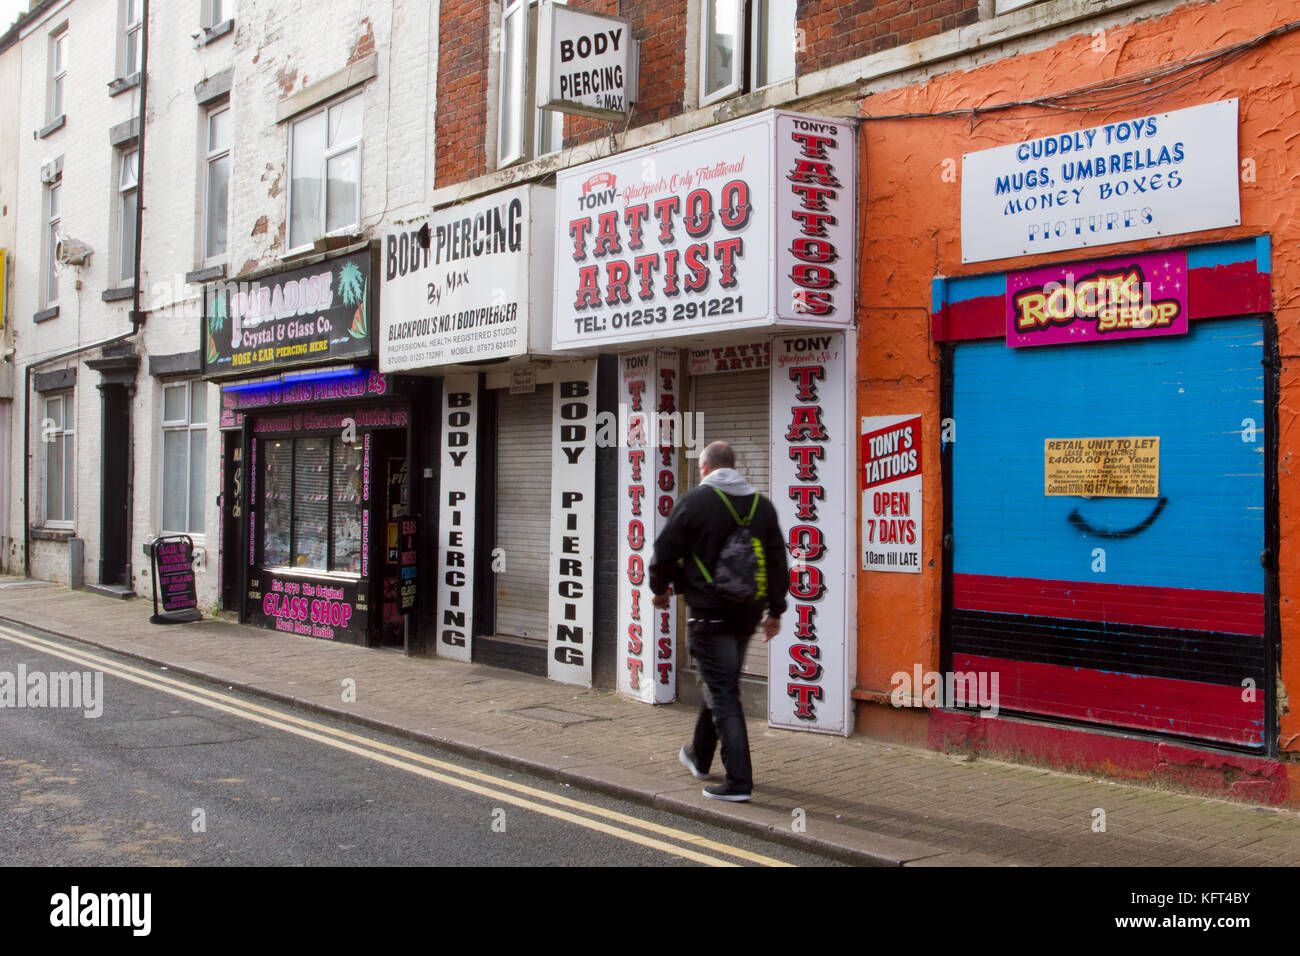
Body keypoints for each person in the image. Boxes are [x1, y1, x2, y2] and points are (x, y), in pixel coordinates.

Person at [650, 440, 789, 802]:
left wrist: (660, 589)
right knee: (722, 682)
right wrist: (775, 612)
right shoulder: (762, 507)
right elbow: (777, 563)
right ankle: (699, 755)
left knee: (725, 693)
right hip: (746, 615)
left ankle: (739, 782)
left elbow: (664, 550)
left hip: (708, 615)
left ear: (706, 468)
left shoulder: (694, 501)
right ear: (735, 466)